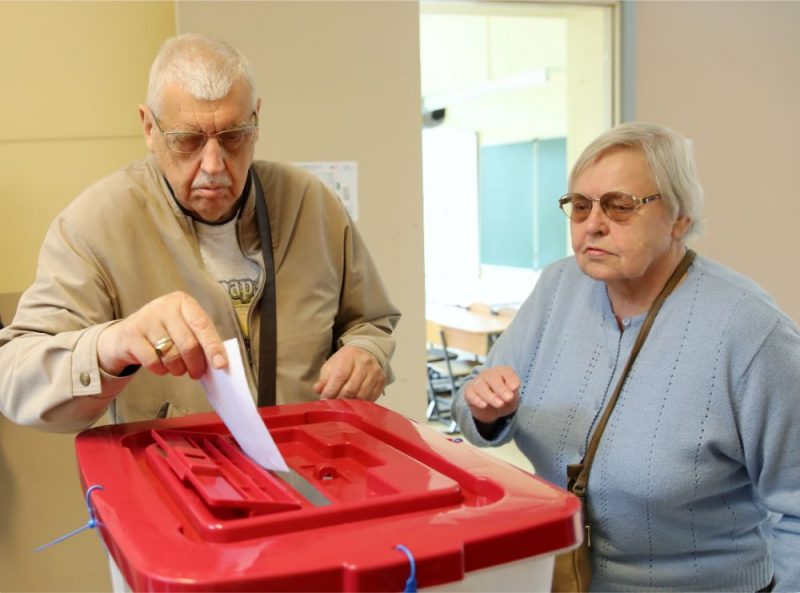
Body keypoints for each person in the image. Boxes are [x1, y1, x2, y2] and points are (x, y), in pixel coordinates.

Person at [452, 122, 800, 591]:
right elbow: (474, 410)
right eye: (580, 206)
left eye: (620, 206)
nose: (593, 223)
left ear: (680, 217)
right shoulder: (557, 287)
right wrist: (485, 408)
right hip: (561, 574)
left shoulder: (750, 330)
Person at [0, 33, 400, 432]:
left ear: (257, 121)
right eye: (187, 141)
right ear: (148, 128)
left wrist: (368, 352)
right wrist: (112, 343)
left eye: (233, 137)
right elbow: (16, 376)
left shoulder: (313, 205)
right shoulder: (94, 225)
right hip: (177, 482)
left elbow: (370, 321)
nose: (213, 165)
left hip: (313, 470)